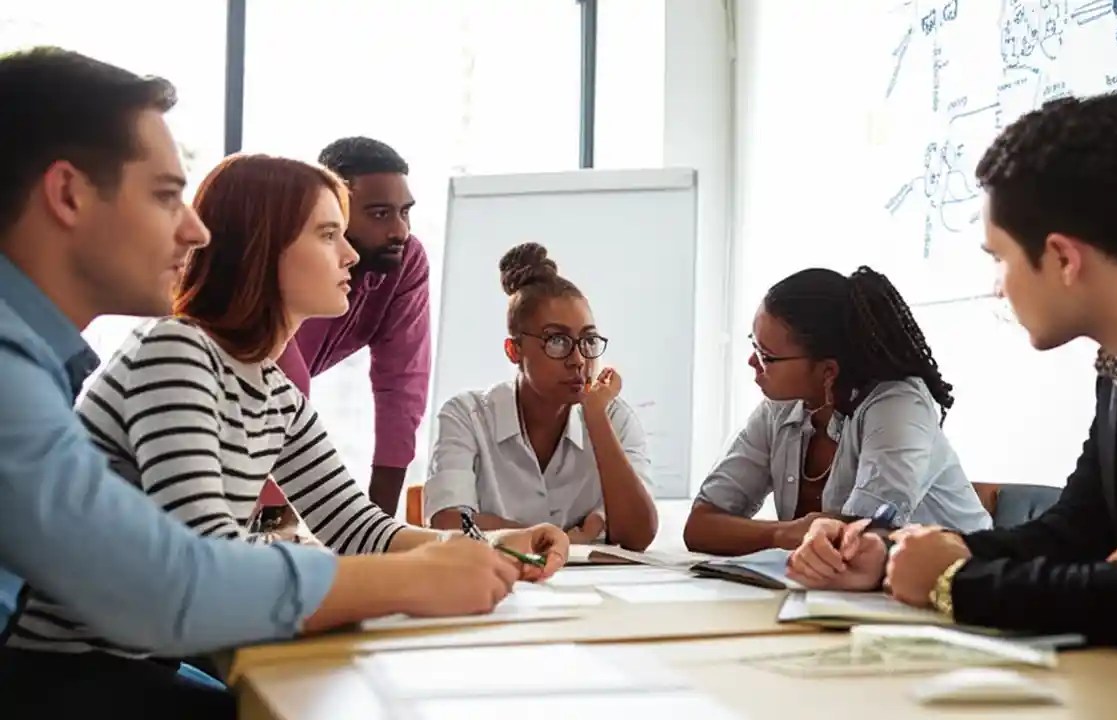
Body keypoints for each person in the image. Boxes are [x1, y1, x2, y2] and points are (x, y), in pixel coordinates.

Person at [0, 48, 565, 715]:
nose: (193, 230)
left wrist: (483, 548)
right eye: (329, 233)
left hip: (125, 658)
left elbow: (354, 523)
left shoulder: (268, 387)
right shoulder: (173, 352)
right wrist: (410, 579)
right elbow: (191, 564)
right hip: (66, 675)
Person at [789, 93, 1117, 660]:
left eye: (999, 258)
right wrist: (890, 554)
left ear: (1063, 259)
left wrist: (954, 583)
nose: (997, 286)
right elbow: (1071, 532)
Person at [684, 267, 991, 556]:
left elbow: (860, 537)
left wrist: (790, 535)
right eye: (754, 345)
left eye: (767, 355)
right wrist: (780, 534)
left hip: (954, 590)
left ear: (827, 370)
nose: (752, 361)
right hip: (851, 595)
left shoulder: (898, 406)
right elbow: (700, 526)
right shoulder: (780, 409)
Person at [424, 243, 659, 551]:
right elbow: (449, 524)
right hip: (494, 586)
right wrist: (562, 538)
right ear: (514, 350)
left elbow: (638, 535)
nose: (578, 359)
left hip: (592, 591)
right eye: (557, 340)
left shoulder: (614, 417)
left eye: (588, 340)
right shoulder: (467, 416)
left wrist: (596, 417)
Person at [276, 137, 428, 516]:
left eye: (405, 212)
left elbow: (403, 386)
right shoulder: (290, 260)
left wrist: (383, 524)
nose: (401, 231)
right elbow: (282, 401)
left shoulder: (405, 261)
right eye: (379, 214)